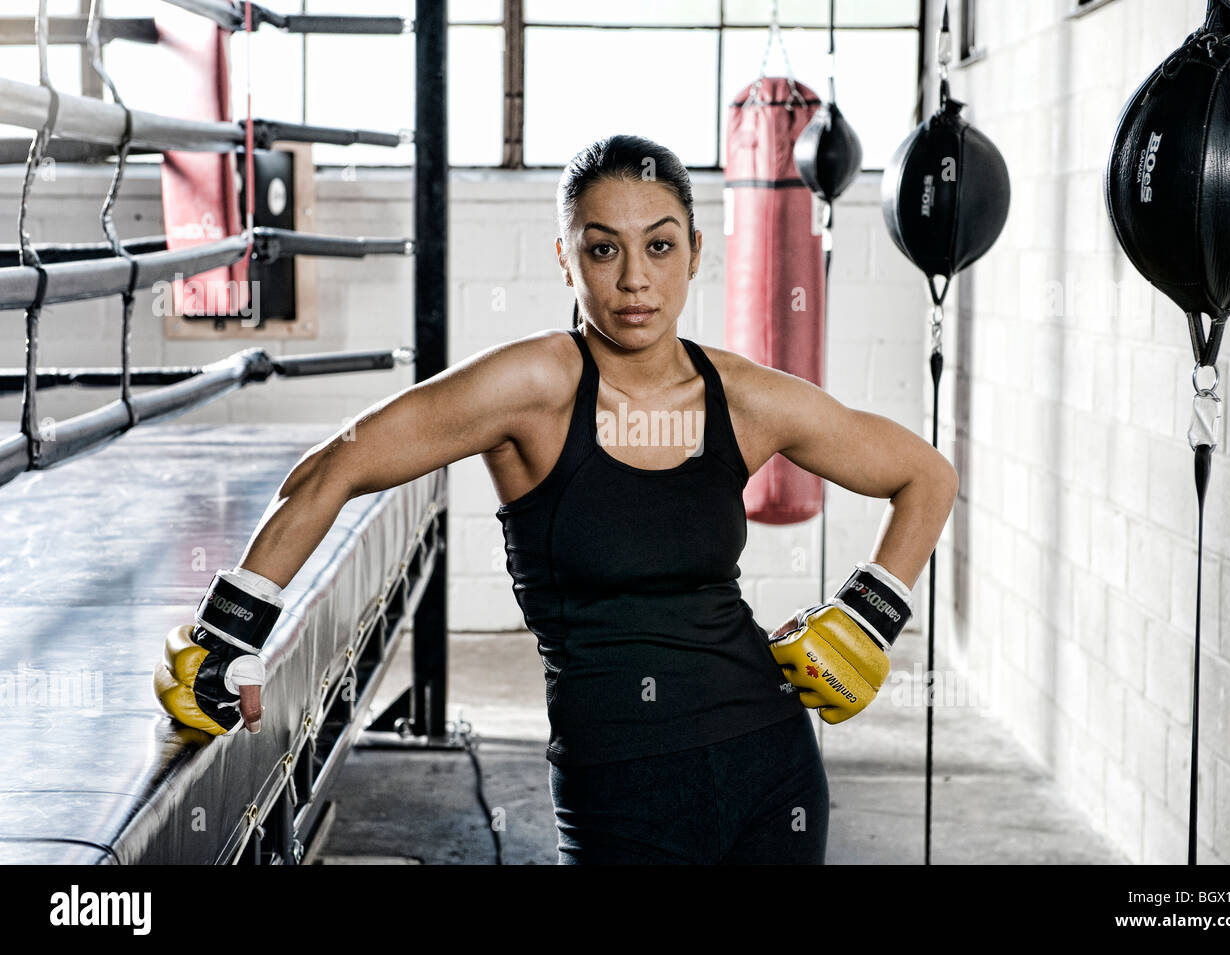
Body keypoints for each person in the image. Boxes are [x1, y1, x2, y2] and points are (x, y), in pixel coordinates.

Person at [153, 133, 958, 865]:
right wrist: (230, 628)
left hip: (768, 762)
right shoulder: (534, 387)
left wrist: (868, 614)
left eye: (660, 246)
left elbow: (926, 475)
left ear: (695, 254)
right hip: (618, 787)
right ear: (565, 259)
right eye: (603, 249)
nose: (634, 279)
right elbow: (339, 465)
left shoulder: (743, 396)